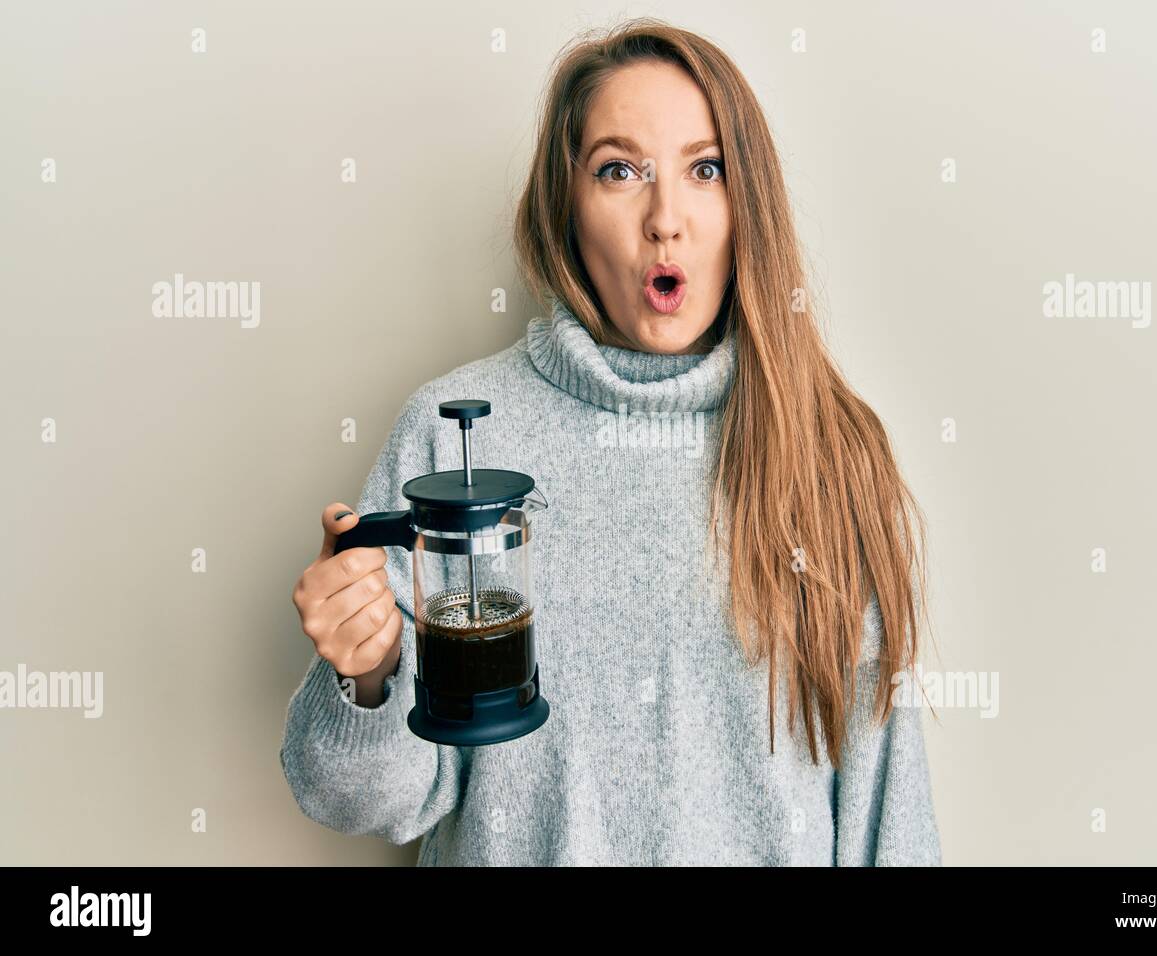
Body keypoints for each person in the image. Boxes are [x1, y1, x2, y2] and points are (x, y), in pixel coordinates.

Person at [281, 17, 941, 866]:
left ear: (749, 207)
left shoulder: (831, 454)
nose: (665, 218)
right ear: (568, 207)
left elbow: (892, 814)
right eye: (620, 170)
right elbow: (369, 801)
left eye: (706, 169)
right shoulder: (454, 441)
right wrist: (365, 677)